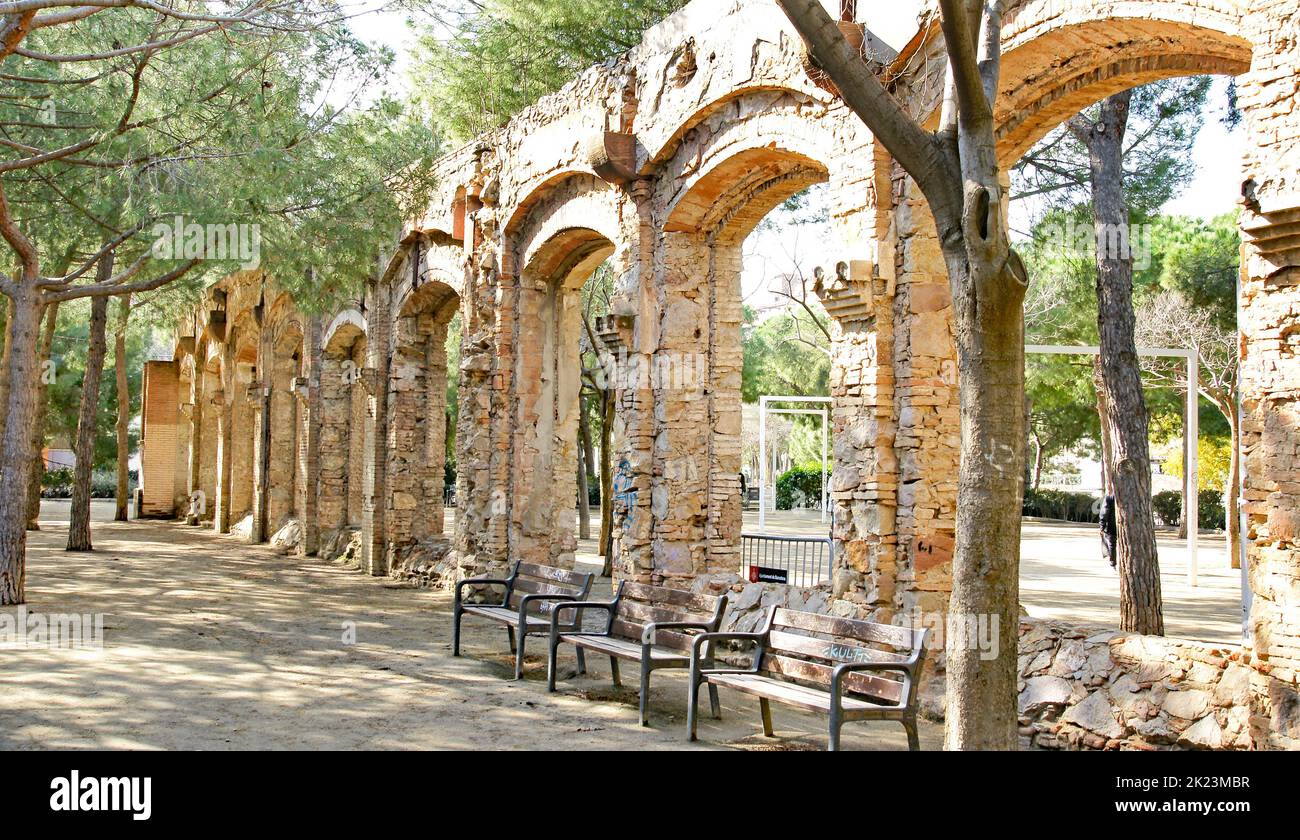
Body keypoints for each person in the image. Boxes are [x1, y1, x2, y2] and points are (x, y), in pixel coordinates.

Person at [1099, 495, 1117, 570]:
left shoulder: (1109, 498)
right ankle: (1113, 562)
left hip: (1111, 525)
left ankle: (1113, 562)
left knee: (1112, 544)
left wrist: (1102, 527)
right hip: (1125, 525)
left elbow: (1104, 513)